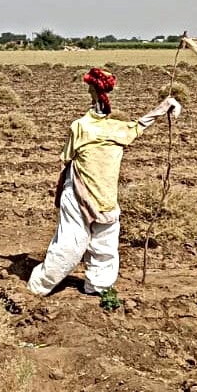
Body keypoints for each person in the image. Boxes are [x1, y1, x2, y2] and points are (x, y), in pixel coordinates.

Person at [27, 67, 182, 298]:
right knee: (70, 246)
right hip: (80, 194)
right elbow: (67, 163)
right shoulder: (82, 127)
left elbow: (139, 125)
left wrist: (165, 105)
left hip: (106, 199)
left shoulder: (117, 128)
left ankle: (98, 288)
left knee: (105, 246)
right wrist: (60, 193)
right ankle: (38, 287)